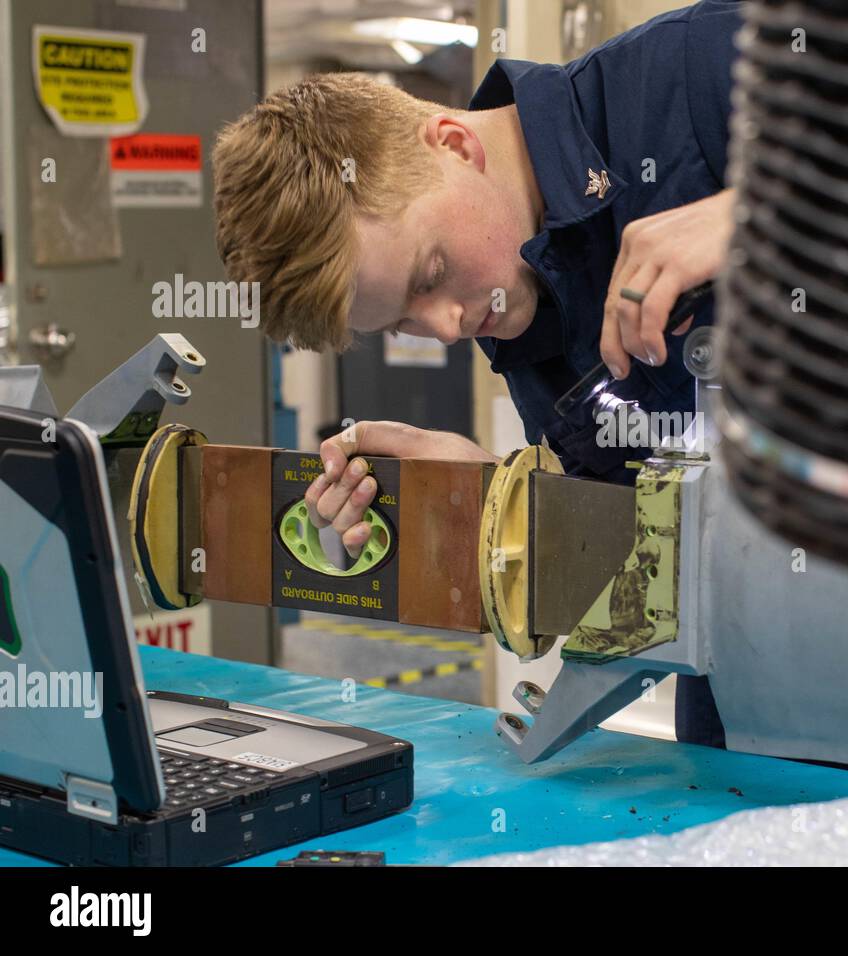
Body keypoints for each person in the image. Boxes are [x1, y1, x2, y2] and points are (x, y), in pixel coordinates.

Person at [212, 0, 745, 747]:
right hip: (748, 728)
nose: (446, 326)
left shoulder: (702, 65)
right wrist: (495, 501)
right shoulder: (522, 318)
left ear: (455, 143)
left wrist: (756, 216)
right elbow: (654, 575)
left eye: (430, 274)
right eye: (400, 322)